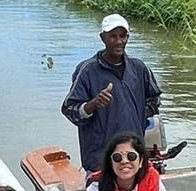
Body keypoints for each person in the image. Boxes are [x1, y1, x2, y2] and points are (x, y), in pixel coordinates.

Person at [61, 14, 162, 174]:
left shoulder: (139, 68)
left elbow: (154, 99)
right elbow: (69, 110)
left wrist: (137, 119)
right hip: (100, 161)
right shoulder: (87, 70)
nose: (118, 41)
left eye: (122, 36)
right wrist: (92, 105)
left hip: (132, 158)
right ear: (103, 37)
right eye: (112, 36)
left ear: (128, 37)